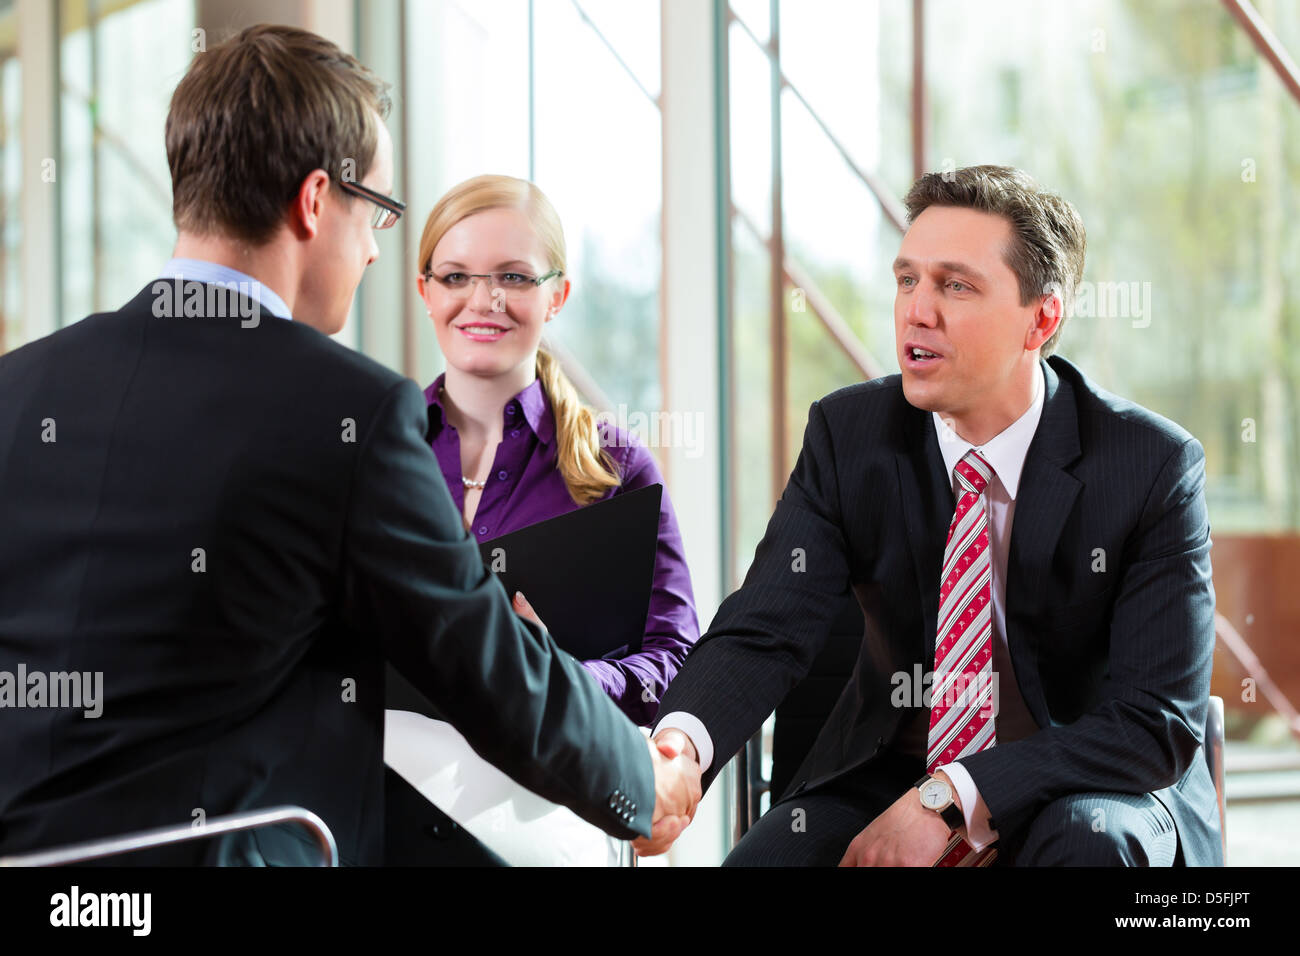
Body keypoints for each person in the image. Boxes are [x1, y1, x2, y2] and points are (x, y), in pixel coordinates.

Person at [0, 23, 699, 866]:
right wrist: (637, 781)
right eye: (378, 214)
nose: (372, 248)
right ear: (316, 201)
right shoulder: (347, 411)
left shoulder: (19, 389)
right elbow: (480, 660)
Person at [643, 165, 1222, 866]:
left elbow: (1152, 721)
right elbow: (766, 629)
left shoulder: (1148, 466)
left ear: (1041, 318)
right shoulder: (849, 436)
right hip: (890, 772)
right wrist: (678, 749)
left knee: (1085, 845)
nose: (917, 310)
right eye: (907, 279)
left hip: (1090, 784)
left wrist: (954, 798)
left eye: (955, 285)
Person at [383, 175, 700, 865]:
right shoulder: (376, 455)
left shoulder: (615, 469)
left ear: (556, 294)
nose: (483, 301)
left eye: (514, 278)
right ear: (425, 290)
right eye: (457, 275)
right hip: (393, 798)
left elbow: (676, 658)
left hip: (554, 810)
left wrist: (567, 679)